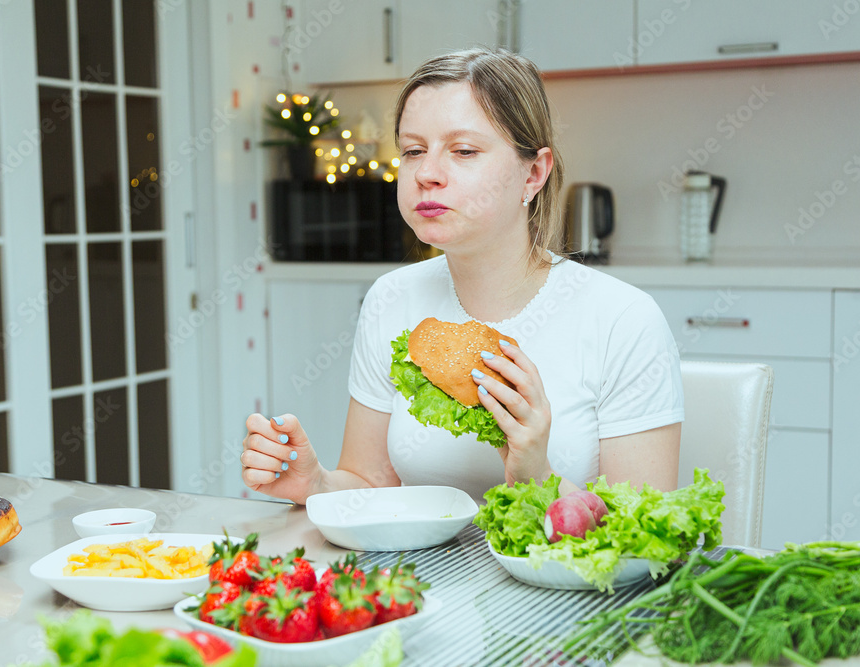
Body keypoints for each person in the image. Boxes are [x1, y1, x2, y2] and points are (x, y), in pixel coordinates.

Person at [241, 48, 683, 503]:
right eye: (412, 151)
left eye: (464, 151)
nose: (426, 173)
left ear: (533, 174)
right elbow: (373, 485)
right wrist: (317, 485)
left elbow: (646, 541)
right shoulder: (392, 298)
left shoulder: (622, 318)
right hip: (423, 575)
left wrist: (537, 474)